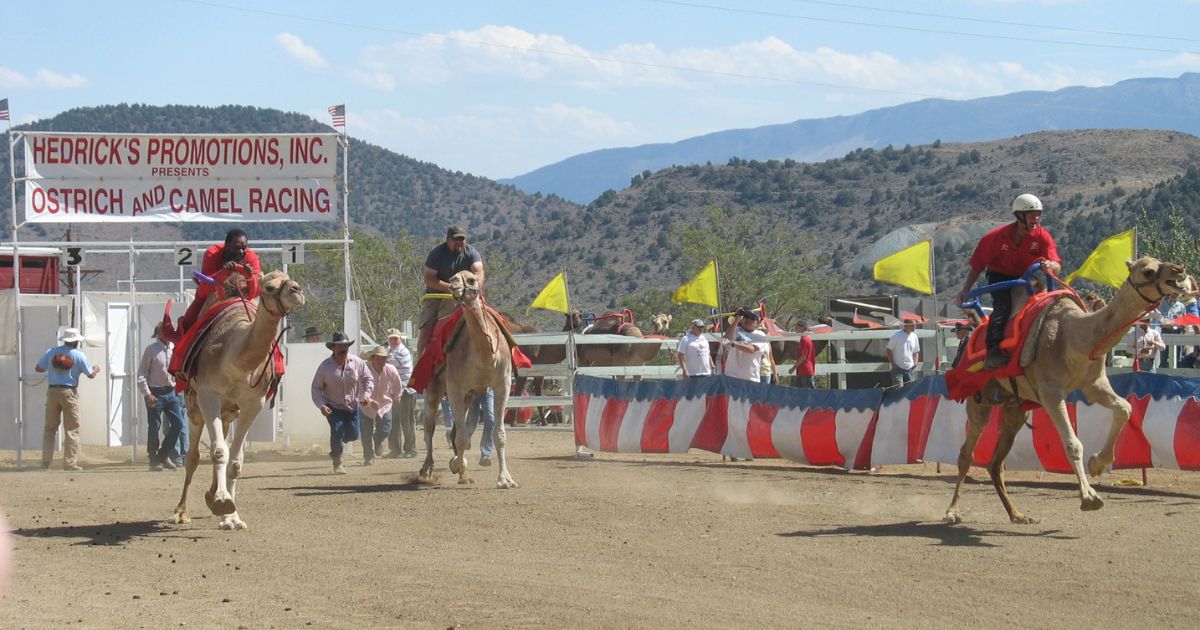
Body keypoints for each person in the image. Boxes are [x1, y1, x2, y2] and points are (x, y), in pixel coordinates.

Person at [957, 193, 1061, 370]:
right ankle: (993, 350)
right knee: (1003, 306)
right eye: (1031, 214)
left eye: (1038, 214)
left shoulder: (1043, 236)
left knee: (1047, 302)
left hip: (1027, 277)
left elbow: (1056, 264)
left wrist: (1050, 265)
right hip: (1001, 276)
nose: (1036, 218)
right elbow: (977, 265)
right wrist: (965, 290)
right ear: (1019, 216)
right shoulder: (996, 238)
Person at [34, 327, 100, 471]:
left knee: (49, 428)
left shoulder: (51, 352)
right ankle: (69, 463)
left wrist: (54, 367)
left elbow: (38, 368)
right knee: (72, 429)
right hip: (69, 392)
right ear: (76, 341)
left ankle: (45, 462)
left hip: (52, 391)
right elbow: (90, 374)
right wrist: (96, 368)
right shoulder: (79, 355)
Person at [176, 229, 263, 337]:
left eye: (244, 248)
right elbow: (205, 290)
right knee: (188, 324)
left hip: (243, 297)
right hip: (213, 297)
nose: (241, 252)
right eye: (236, 247)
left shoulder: (251, 257)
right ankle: (181, 340)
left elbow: (254, 293)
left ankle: (274, 351)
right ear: (226, 245)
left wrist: (250, 276)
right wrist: (223, 273)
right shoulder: (212, 253)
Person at [311, 332, 374, 474]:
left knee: (353, 435)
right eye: (340, 346)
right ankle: (337, 461)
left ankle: (336, 446)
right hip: (332, 406)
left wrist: (366, 395)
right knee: (337, 430)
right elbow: (315, 388)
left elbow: (368, 378)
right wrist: (321, 405)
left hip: (352, 406)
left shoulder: (357, 362)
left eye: (345, 346)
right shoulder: (325, 367)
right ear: (333, 348)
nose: (343, 349)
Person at [417, 225, 483, 361]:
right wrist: (452, 288)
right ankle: (420, 366)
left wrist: (475, 286)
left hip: (467, 297)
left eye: (462, 240)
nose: (459, 243)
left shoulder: (472, 253)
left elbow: (478, 271)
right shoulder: (437, 254)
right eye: (455, 240)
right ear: (448, 240)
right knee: (425, 332)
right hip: (438, 297)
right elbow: (429, 278)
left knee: (490, 322)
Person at [137, 323, 184, 471]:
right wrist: (147, 394)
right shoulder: (151, 350)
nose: (169, 333)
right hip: (155, 393)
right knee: (154, 426)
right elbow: (141, 374)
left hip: (171, 392)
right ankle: (153, 459)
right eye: (166, 331)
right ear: (158, 333)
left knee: (178, 423)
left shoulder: (173, 349)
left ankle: (163, 454)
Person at [361, 345, 403, 466]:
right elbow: (359, 389)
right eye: (378, 358)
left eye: (383, 358)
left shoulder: (391, 370)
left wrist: (396, 397)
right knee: (366, 432)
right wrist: (369, 401)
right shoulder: (365, 371)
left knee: (386, 428)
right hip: (366, 405)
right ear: (372, 358)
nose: (380, 361)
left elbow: (397, 385)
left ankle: (378, 439)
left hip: (384, 404)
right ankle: (368, 457)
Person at [383, 328, 417, 458]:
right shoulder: (390, 351)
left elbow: (388, 365)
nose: (393, 341)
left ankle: (411, 450)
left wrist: (377, 357)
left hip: (406, 391)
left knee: (406, 421)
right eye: (391, 338)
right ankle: (395, 450)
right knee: (394, 421)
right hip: (394, 391)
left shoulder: (403, 352)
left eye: (395, 338)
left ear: (400, 339)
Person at [722, 309, 770, 382]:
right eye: (746, 317)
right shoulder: (736, 330)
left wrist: (734, 344)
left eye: (752, 318)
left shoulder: (760, 335)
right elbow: (725, 340)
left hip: (750, 378)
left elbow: (751, 349)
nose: (748, 320)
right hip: (732, 376)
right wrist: (737, 319)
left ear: (757, 323)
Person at [886, 319, 921, 387]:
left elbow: (916, 351)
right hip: (897, 368)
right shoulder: (896, 336)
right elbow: (888, 350)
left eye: (915, 325)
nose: (914, 327)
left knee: (910, 391)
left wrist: (915, 363)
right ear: (906, 325)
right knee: (898, 391)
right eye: (912, 325)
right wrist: (893, 364)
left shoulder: (914, 336)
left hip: (910, 368)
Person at [789, 320, 816, 388]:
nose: (795, 328)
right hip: (802, 371)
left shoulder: (805, 340)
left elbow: (803, 357)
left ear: (802, 328)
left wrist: (793, 367)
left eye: (797, 326)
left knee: (809, 393)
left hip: (805, 371)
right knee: (799, 392)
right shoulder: (803, 339)